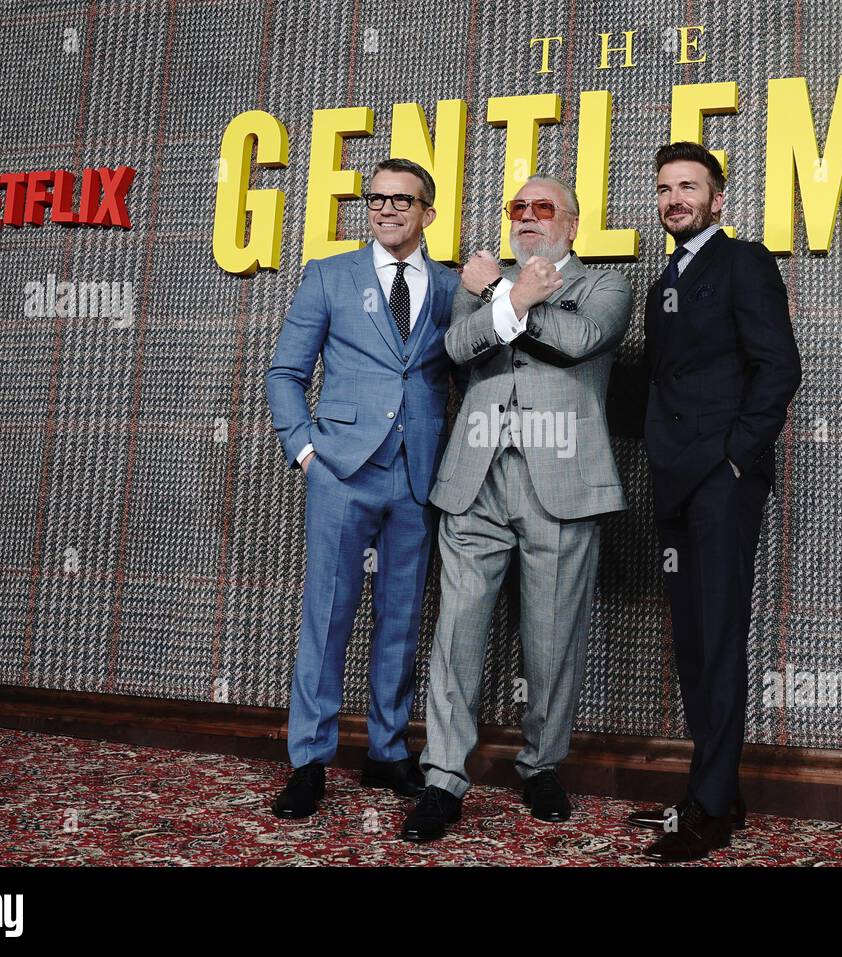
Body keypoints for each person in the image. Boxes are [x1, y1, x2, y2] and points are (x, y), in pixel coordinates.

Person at [400, 175, 631, 842]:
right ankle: (443, 777)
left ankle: (541, 765)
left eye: (544, 208)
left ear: (573, 225)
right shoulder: (474, 286)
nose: (528, 218)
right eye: (518, 208)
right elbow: (458, 347)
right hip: (475, 480)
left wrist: (504, 293)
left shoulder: (603, 286)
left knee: (553, 638)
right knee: (457, 637)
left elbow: (575, 340)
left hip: (561, 484)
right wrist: (508, 297)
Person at [264, 158, 462, 818]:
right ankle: (310, 760)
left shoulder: (452, 284)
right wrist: (307, 452)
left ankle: (386, 748)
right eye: (376, 198)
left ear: (427, 213)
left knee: (402, 618)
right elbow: (285, 372)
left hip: (417, 472)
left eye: (402, 200)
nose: (385, 209)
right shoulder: (328, 275)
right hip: (341, 471)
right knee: (327, 613)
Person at [626, 142, 802, 861]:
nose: (674, 199)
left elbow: (779, 367)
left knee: (721, 637)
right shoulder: (662, 279)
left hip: (722, 485)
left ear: (717, 198)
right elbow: (660, 385)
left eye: (688, 187)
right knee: (695, 640)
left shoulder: (744, 262)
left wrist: (735, 460)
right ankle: (714, 788)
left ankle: (709, 802)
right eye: (665, 187)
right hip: (672, 479)